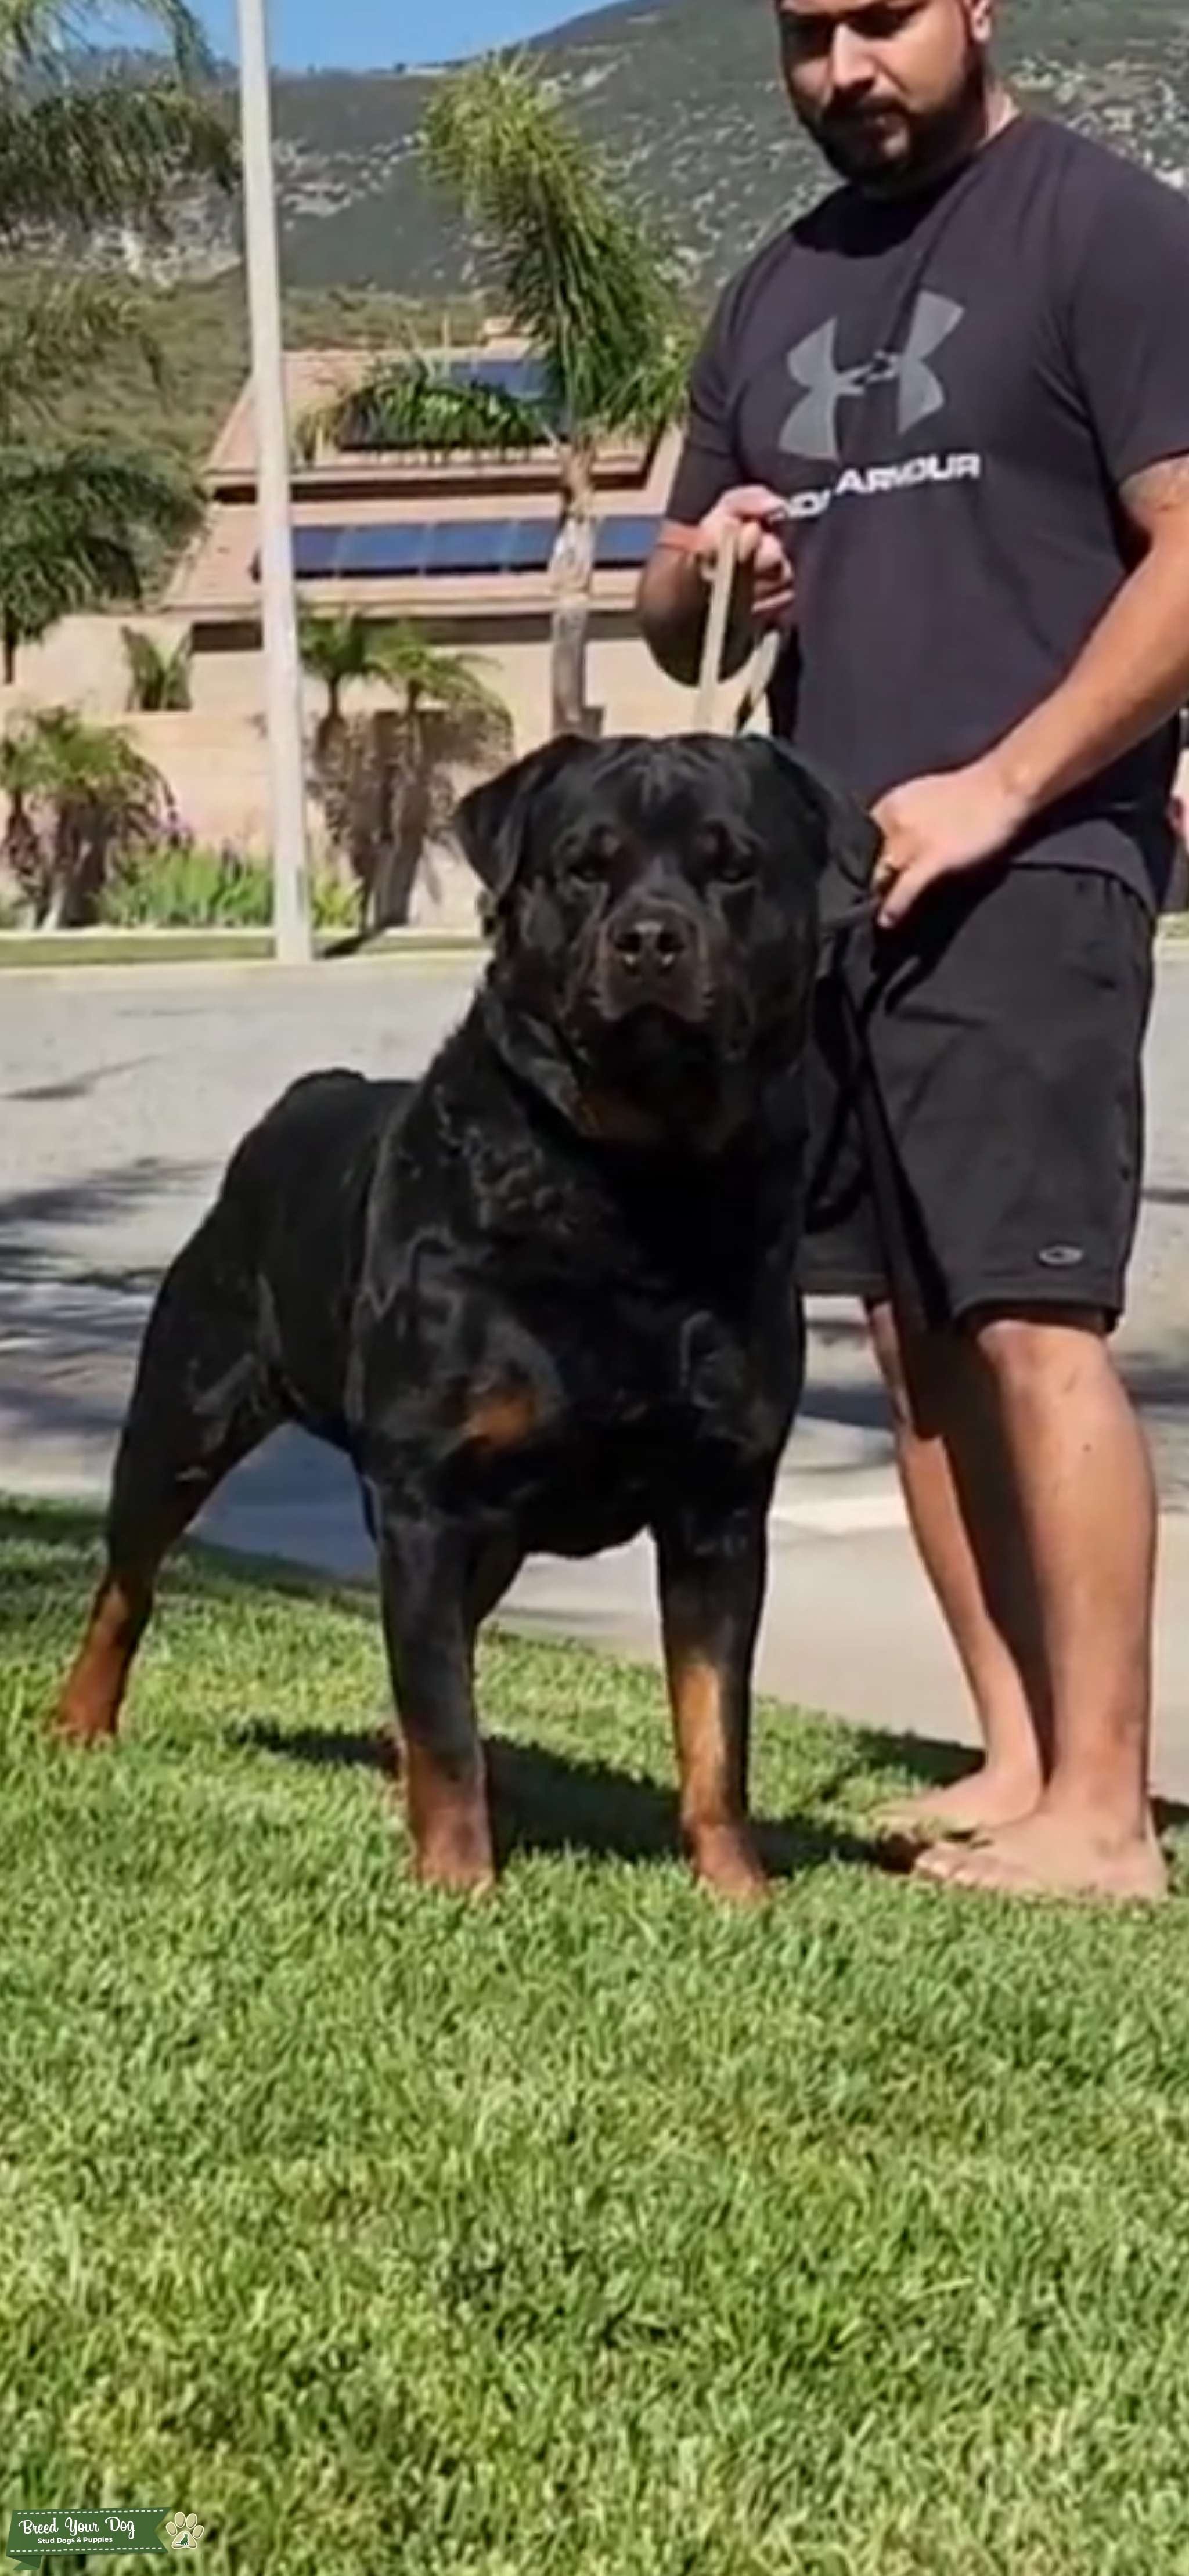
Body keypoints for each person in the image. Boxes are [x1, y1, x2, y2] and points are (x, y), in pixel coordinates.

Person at [636, 0, 1189, 1902]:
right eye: (808, 35)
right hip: (826, 888)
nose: (846, 66)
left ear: (980, 11)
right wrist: (708, 565)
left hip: (1036, 858)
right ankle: (1018, 1755)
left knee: (1033, 1319)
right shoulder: (772, 288)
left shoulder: (1101, 230)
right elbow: (661, 597)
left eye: (883, 18)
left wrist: (1003, 784)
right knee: (907, 1331)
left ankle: (1108, 1814)